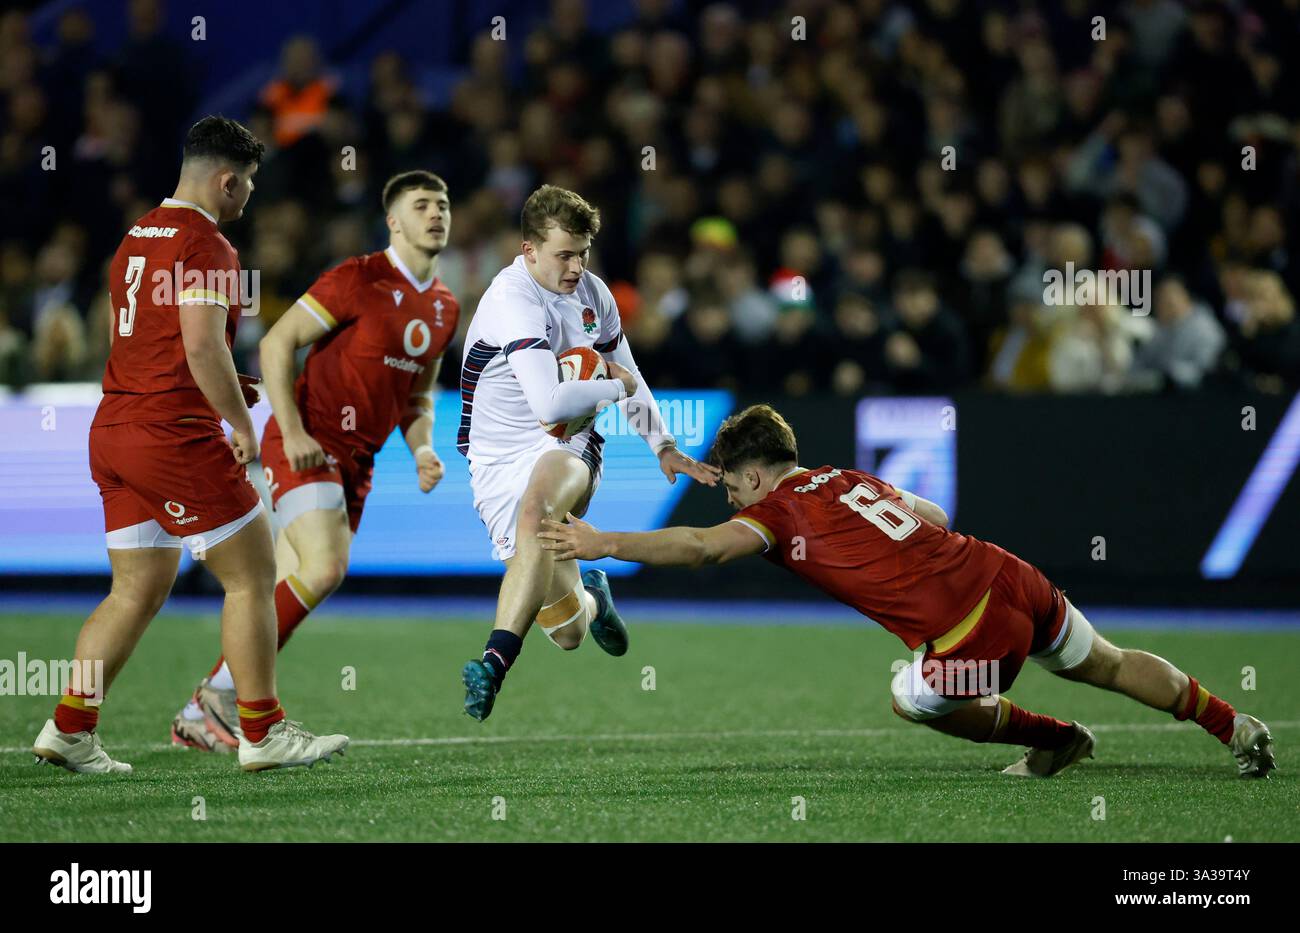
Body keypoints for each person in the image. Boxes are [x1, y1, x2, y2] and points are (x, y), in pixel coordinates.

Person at [538, 404, 1276, 779]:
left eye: (732, 486)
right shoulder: (850, 478)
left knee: (909, 694)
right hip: (1007, 573)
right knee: (1108, 661)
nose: (733, 501)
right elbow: (936, 516)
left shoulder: (776, 509)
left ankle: (1057, 740)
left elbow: (699, 549)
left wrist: (603, 542)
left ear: (757, 474)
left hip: (970, 631)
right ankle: (1232, 723)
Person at [32, 115, 347, 774]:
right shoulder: (207, 245)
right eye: (250, 184)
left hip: (114, 429)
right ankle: (261, 732)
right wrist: (240, 423)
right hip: (170, 436)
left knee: (134, 589)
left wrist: (223, 386)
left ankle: (70, 726)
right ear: (226, 179)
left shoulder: (136, 236)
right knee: (255, 575)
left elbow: (159, 344)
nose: (250, 196)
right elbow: (202, 345)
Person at [171, 170, 460, 751]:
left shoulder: (446, 307)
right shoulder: (359, 277)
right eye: (422, 204)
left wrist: (423, 446)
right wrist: (294, 428)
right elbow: (278, 342)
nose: (436, 213)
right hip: (307, 440)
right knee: (325, 567)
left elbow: (418, 396)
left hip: (359, 461)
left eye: (444, 204)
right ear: (394, 220)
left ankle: (202, 710)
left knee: (280, 587)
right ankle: (223, 703)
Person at [457, 184, 719, 721]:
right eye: (563, 254)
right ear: (528, 250)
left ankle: (493, 662)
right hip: (495, 458)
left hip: (566, 442)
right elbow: (550, 399)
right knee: (571, 631)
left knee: (537, 514)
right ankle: (594, 594)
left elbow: (600, 388)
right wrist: (614, 384)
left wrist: (661, 443)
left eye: (583, 253)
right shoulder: (513, 299)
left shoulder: (593, 294)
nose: (576, 266)